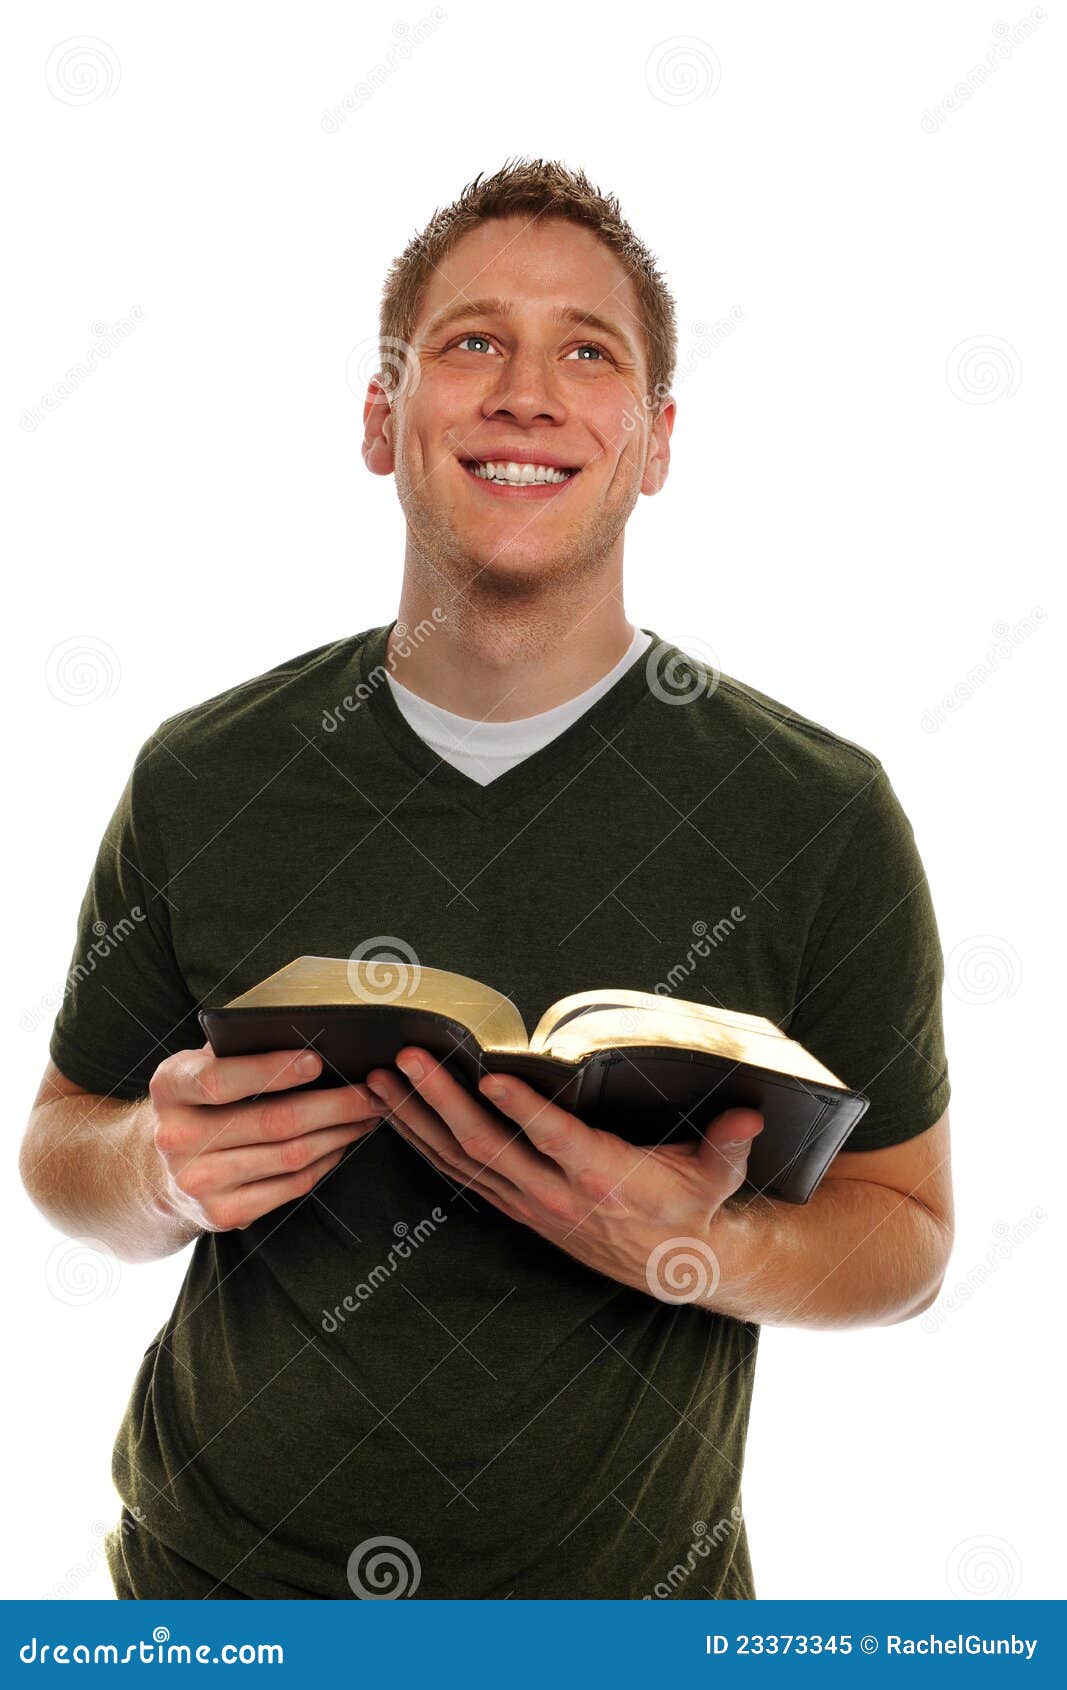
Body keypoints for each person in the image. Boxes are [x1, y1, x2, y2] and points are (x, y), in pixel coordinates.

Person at [20, 159, 953, 1601]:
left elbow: (912, 1234)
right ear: (382, 418)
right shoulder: (205, 774)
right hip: (212, 1601)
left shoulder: (818, 813)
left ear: (655, 441)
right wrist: (154, 1166)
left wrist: (704, 1248)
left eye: (589, 352)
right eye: (472, 342)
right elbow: (59, 1147)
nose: (527, 393)